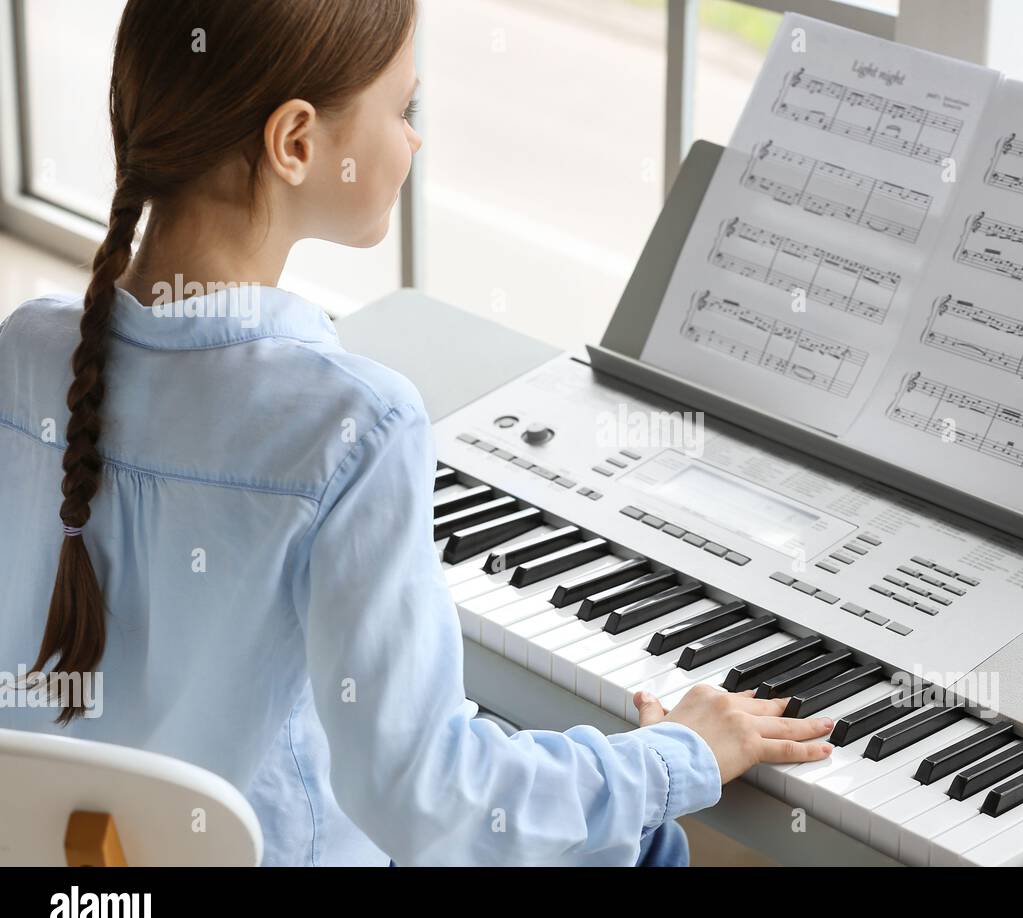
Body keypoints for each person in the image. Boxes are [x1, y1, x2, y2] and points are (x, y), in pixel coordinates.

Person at [0, 0, 832, 866]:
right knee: (646, 838)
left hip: (83, 872)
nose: (416, 143)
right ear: (294, 142)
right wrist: (676, 759)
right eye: (405, 112)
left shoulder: (25, 349)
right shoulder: (354, 422)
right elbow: (431, 806)